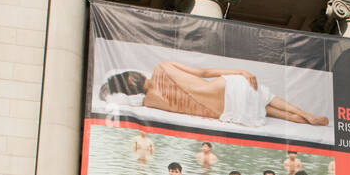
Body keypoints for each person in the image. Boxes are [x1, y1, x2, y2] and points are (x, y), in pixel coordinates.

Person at [100, 64, 328, 128]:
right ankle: (305, 114)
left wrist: (111, 91)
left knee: (261, 107)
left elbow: (120, 101)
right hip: (226, 88)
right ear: (135, 75)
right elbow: (204, 73)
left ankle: (295, 118)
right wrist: (239, 71)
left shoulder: (149, 103)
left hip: (224, 111)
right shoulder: (162, 68)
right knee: (264, 97)